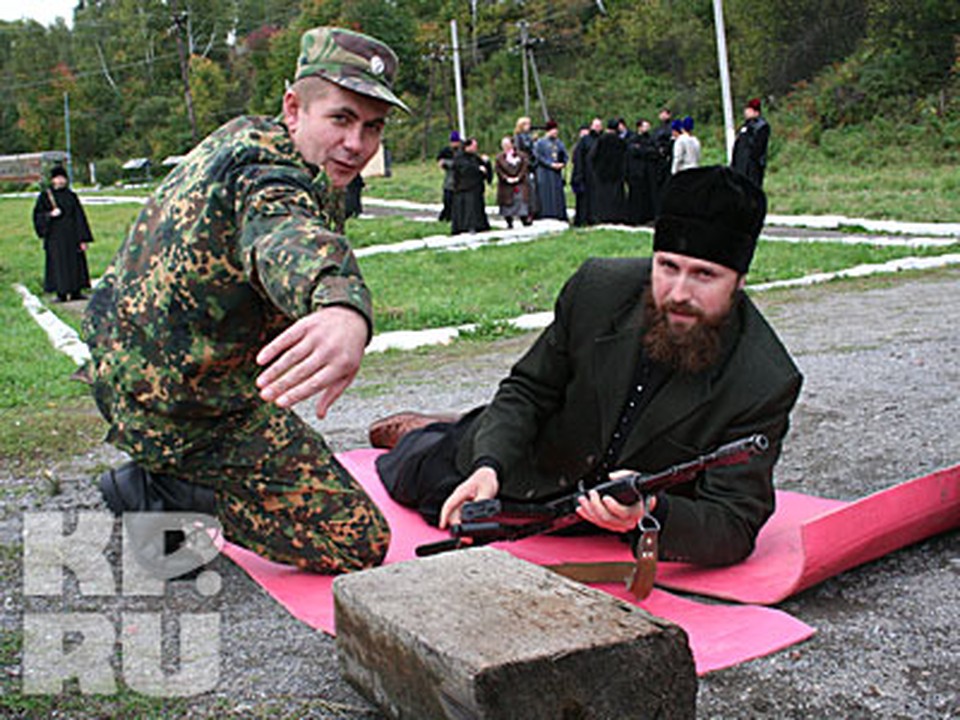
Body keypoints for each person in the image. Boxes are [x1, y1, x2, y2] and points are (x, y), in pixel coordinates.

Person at [81, 26, 409, 574]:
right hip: (187, 404)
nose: (357, 144)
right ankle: (168, 491)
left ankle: (168, 471)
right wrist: (340, 304)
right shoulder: (266, 174)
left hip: (138, 370)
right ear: (293, 108)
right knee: (357, 542)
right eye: (341, 119)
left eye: (372, 127)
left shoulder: (249, 137)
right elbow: (284, 231)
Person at [370, 166, 802, 567]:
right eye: (667, 267)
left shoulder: (765, 379)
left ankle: (455, 425)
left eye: (704, 275)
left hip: (601, 518)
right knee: (419, 474)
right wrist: (489, 466)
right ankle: (425, 430)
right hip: (535, 466)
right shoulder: (599, 289)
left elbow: (734, 525)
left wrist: (650, 509)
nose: (678, 293)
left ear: (740, 280)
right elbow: (529, 389)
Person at [32, 166, 93, 302]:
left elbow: (80, 217)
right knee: (58, 265)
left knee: (75, 263)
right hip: (55, 237)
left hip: (72, 236)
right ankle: (61, 293)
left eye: (62, 178)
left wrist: (83, 239)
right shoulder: (45, 197)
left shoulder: (71, 196)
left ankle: (76, 291)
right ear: (53, 180)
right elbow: (37, 216)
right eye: (57, 178)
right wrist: (50, 215)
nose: (60, 181)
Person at [587, 118, 627, 224]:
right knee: (616, 197)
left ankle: (602, 216)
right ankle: (616, 216)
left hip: (602, 174)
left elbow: (592, 157)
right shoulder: (620, 142)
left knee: (603, 197)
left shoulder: (601, 140)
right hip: (616, 174)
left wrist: (595, 170)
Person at [450, 137, 492, 234]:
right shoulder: (459, 157)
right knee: (468, 210)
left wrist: (486, 163)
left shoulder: (474, 156)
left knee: (477, 209)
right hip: (464, 188)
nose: (476, 148)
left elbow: (483, 167)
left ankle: (480, 225)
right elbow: (464, 169)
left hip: (476, 187)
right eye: (474, 146)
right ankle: (468, 226)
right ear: (467, 147)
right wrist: (478, 169)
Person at [625, 119, 660, 224]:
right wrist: (644, 151)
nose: (647, 128)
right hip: (637, 173)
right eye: (645, 126)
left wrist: (643, 150)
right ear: (639, 127)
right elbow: (633, 151)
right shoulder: (633, 139)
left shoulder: (651, 138)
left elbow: (655, 152)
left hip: (649, 173)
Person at [533, 119, 568, 221]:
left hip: (556, 172)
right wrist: (550, 164)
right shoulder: (540, 143)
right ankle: (545, 213)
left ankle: (559, 213)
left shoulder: (559, 143)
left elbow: (564, 155)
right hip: (545, 172)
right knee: (546, 193)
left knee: (557, 193)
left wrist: (562, 163)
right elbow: (538, 157)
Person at [732, 97, 771, 189]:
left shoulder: (761, 126)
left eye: (749, 110)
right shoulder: (745, 126)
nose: (746, 112)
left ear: (756, 112)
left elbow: (758, 148)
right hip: (740, 164)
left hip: (752, 166)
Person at [494, 136, 531, 229]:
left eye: (507, 144)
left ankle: (524, 218)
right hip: (506, 185)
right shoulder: (499, 158)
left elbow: (525, 167)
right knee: (507, 203)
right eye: (503, 145)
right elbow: (498, 170)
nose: (505, 147)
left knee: (521, 201)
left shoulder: (521, 156)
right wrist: (506, 178)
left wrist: (518, 177)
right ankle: (509, 221)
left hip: (520, 183)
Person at [513, 116, 538, 222]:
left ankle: (534, 211)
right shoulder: (518, 137)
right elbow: (520, 150)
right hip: (525, 165)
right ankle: (526, 212)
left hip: (532, 164)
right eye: (526, 124)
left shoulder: (528, 136)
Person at [437, 131, 462, 221]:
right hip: (449, 180)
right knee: (447, 201)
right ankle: (445, 217)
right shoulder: (446, 151)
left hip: (459, 180)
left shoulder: (462, 151)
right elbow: (440, 162)